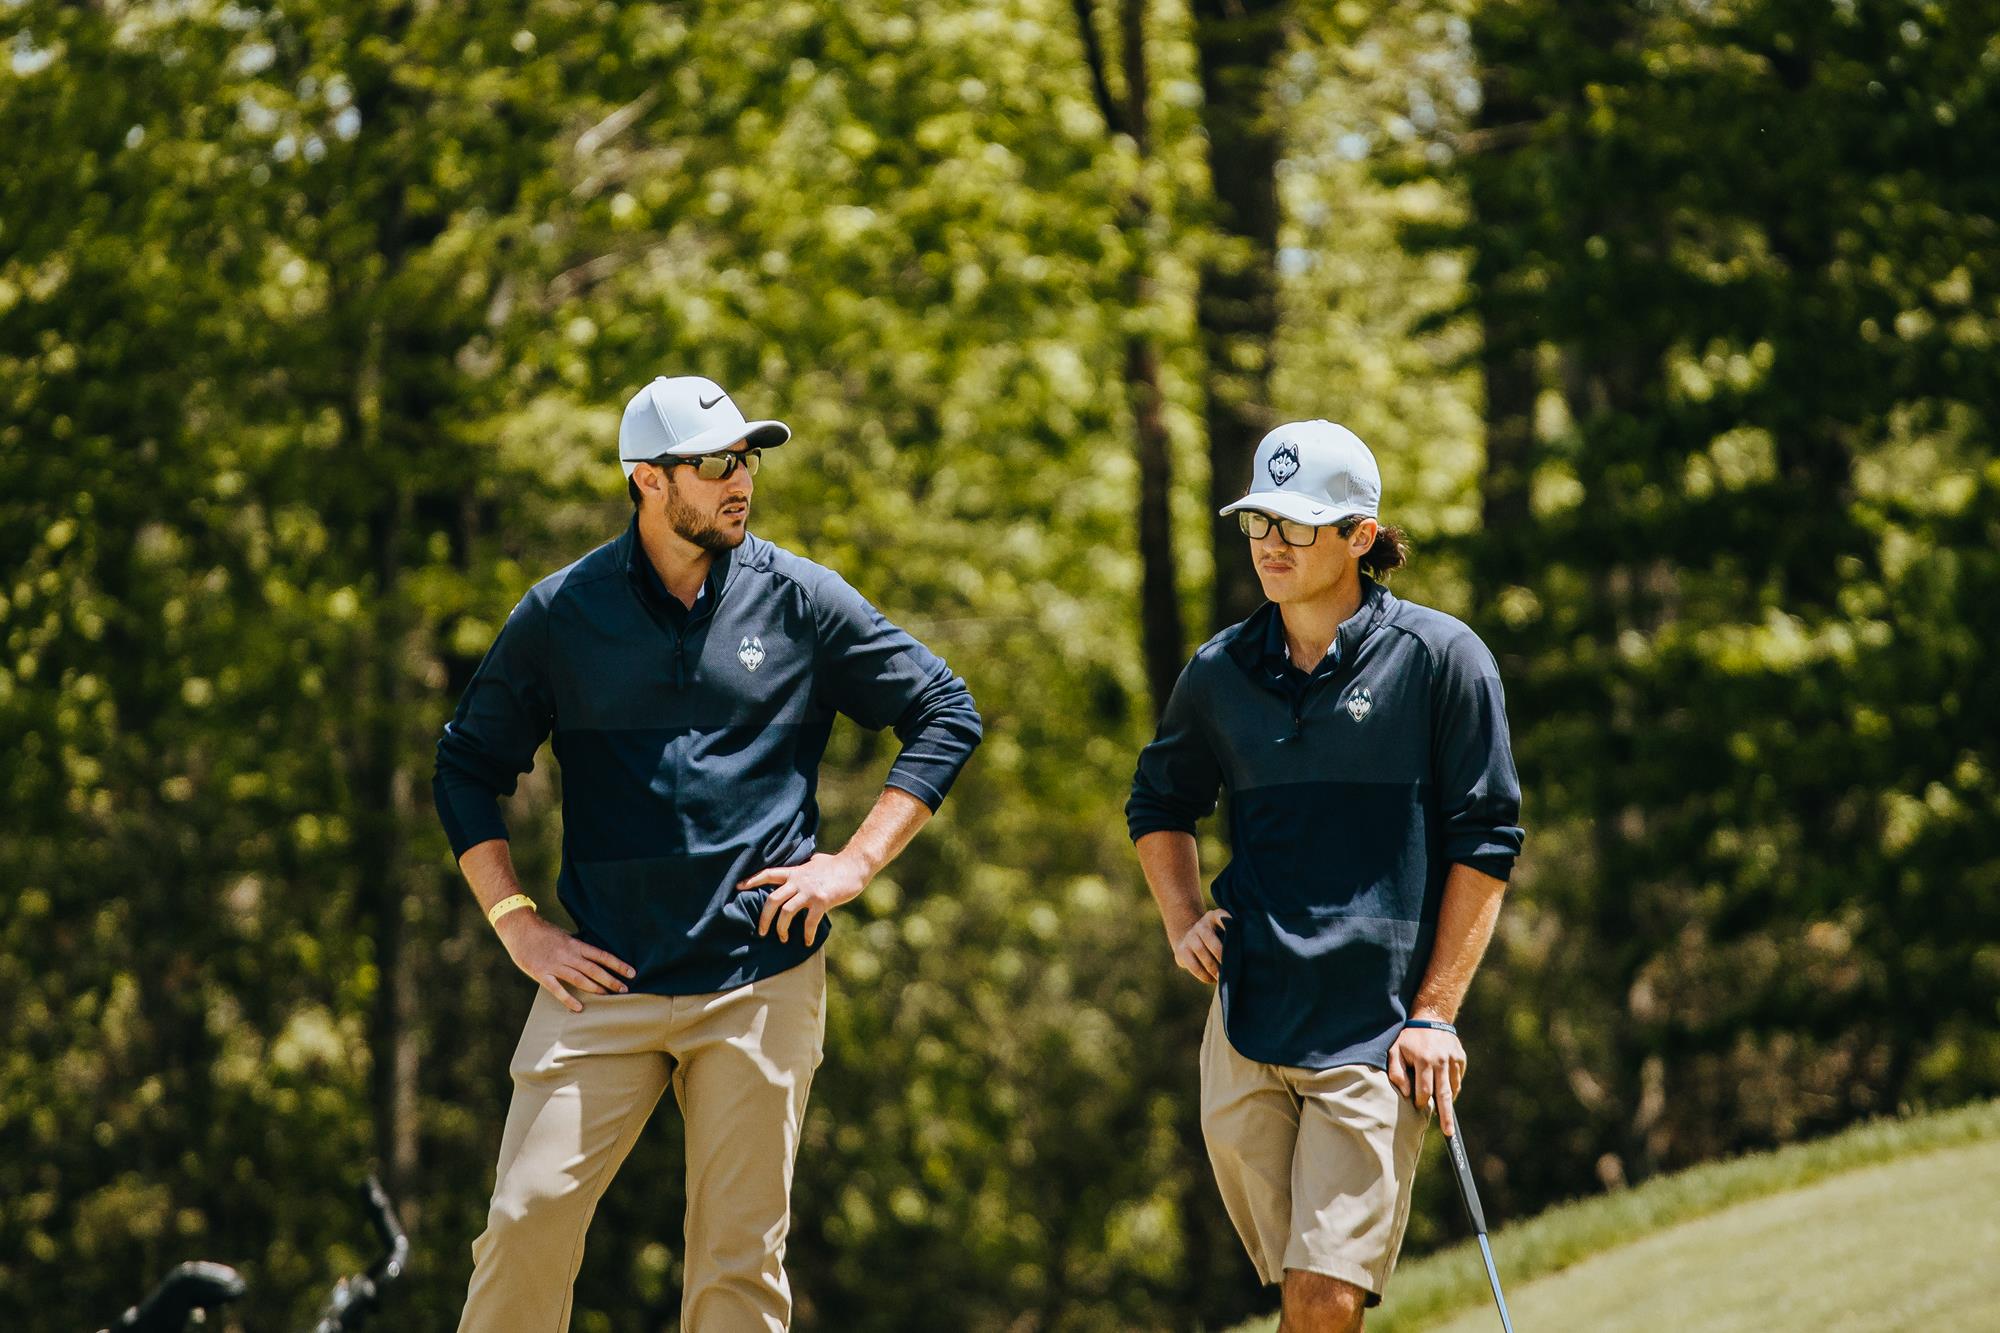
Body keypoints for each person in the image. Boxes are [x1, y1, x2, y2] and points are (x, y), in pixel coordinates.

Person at [433, 375, 982, 1332]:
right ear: (648, 479)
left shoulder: (799, 599)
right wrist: (516, 923)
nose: (743, 480)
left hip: (757, 978)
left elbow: (945, 710)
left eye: (748, 458)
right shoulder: (563, 613)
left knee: (737, 1264)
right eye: (718, 463)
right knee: (524, 1220)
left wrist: (852, 863)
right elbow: (465, 766)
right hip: (603, 981)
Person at [1126, 420, 1523, 1332]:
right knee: (1300, 1294)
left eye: (1297, 525)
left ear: (1359, 535)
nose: (1270, 543)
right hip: (1249, 1021)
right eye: (1258, 521)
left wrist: (1436, 1014)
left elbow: (1487, 842)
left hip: (1377, 1031)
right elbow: (1158, 802)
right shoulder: (1220, 672)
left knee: (1325, 1294)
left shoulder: (1443, 660)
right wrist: (1182, 917)